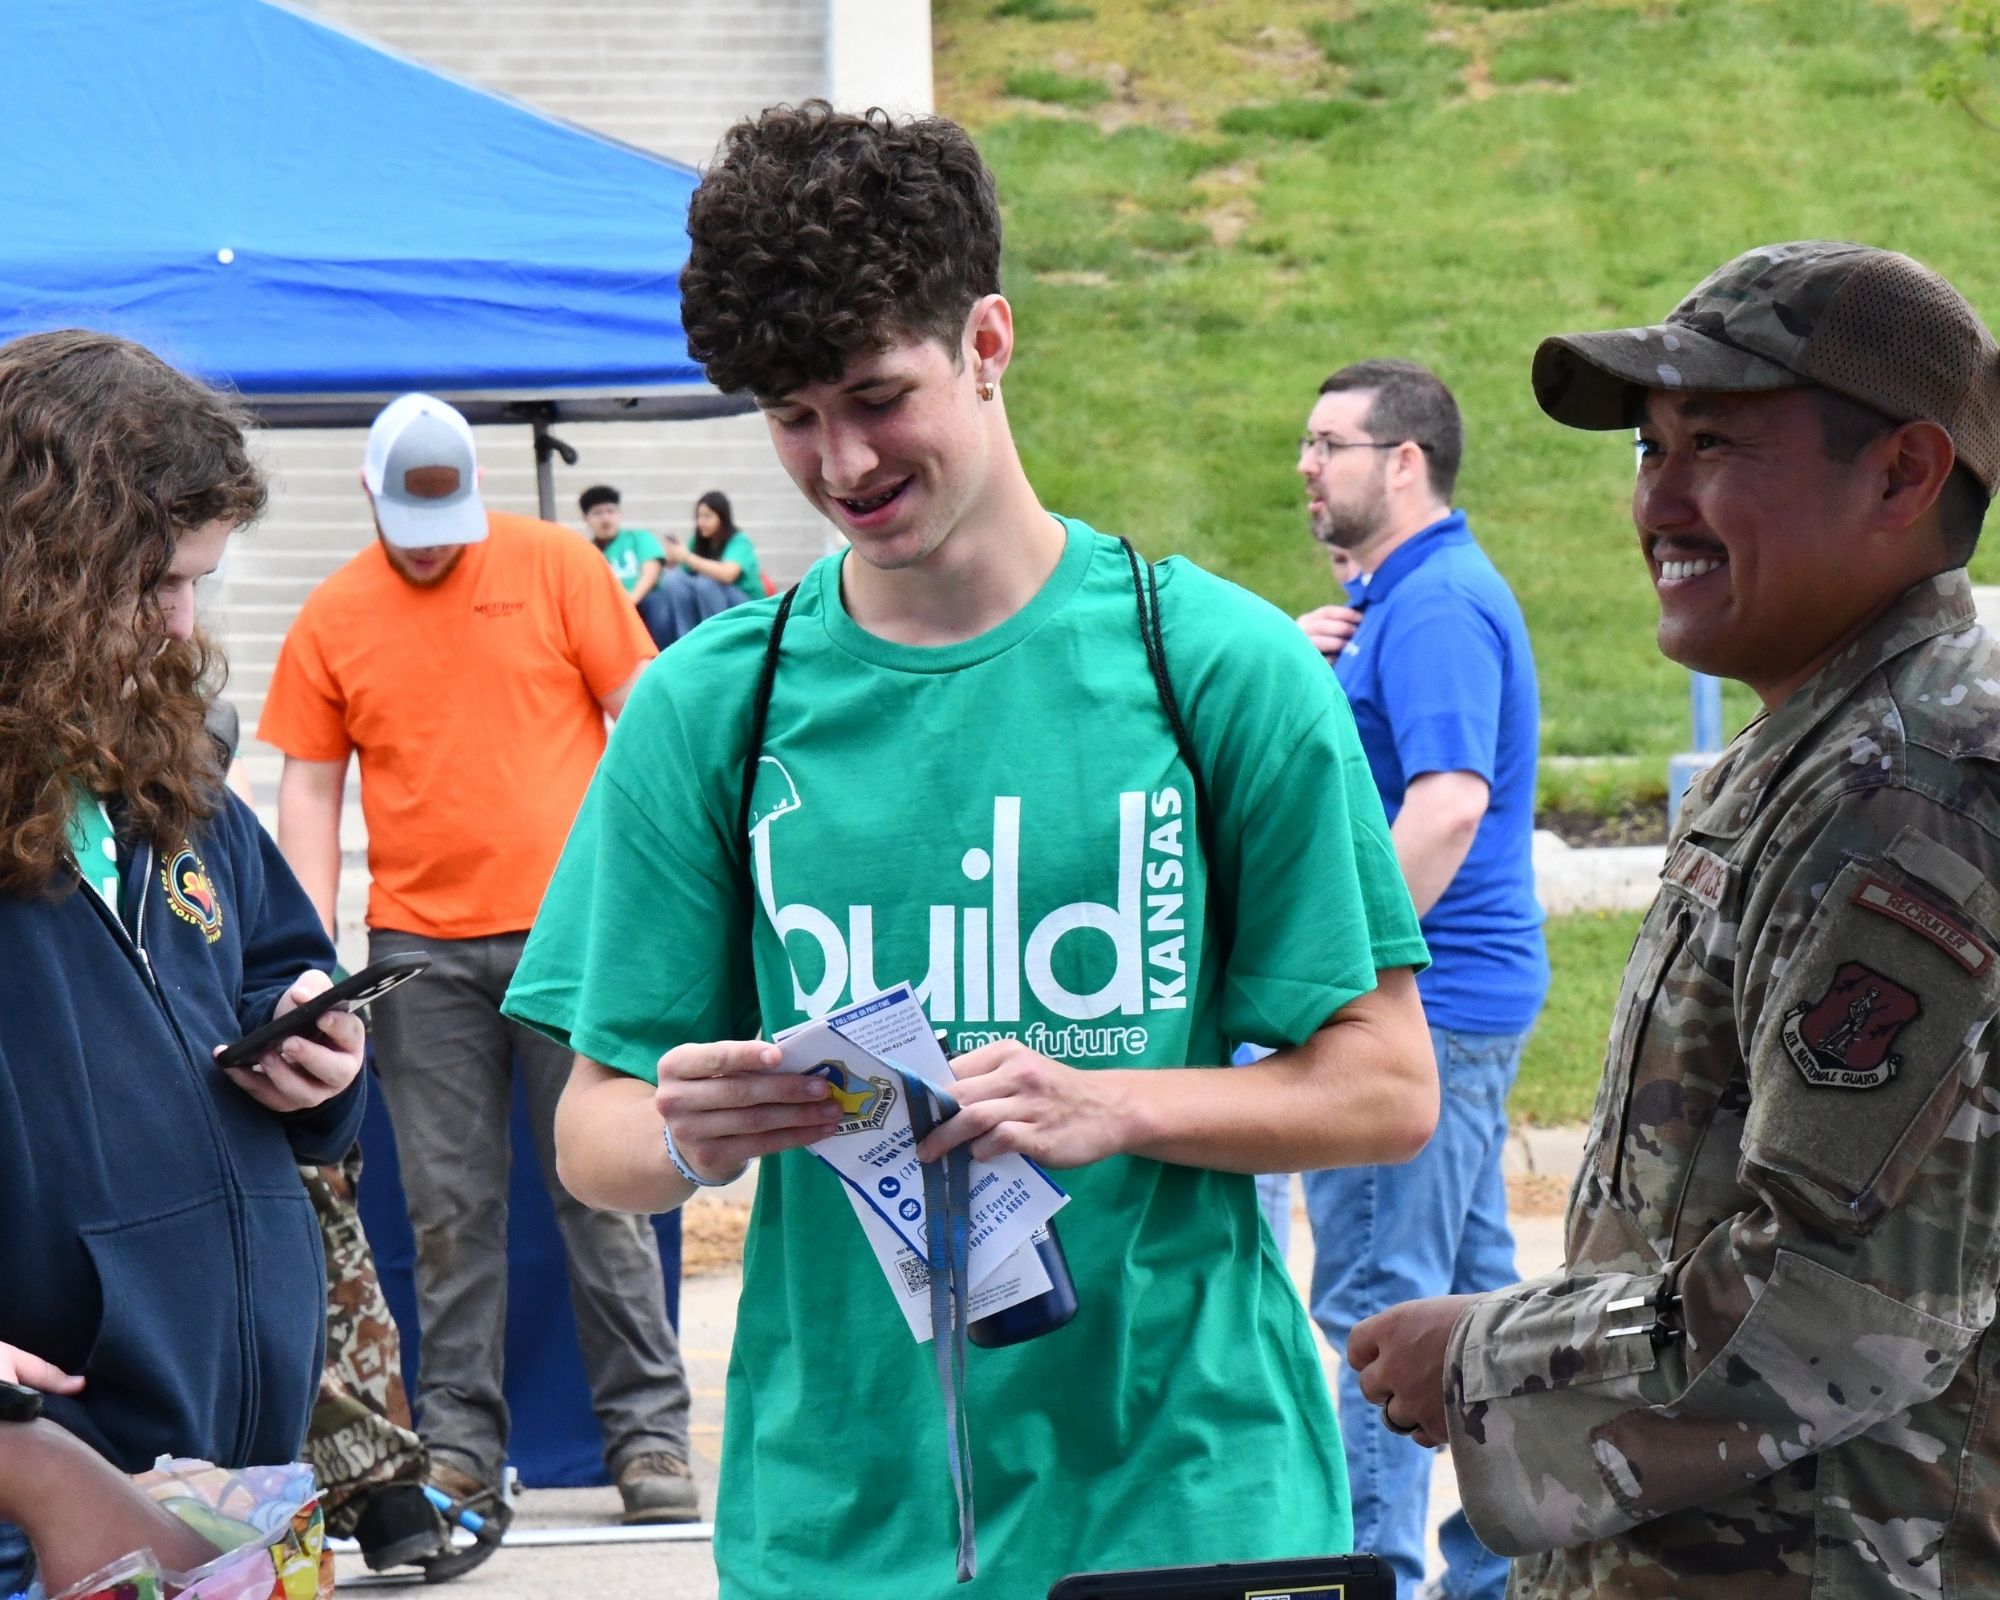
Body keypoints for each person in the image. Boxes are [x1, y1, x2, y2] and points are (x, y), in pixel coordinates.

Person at [502, 102, 1439, 1600]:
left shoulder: (1214, 667)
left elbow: (1388, 1088)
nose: (841, 460)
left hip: (1184, 1503)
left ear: (988, 341)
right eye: (792, 415)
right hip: (841, 1531)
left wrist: (1113, 1104)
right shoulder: (708, 712)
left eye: (879, 395)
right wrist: (697, 1128)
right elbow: (594, 1140)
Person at [1348, 241, 2000, 1597]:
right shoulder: (1829, 744)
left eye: (1715, 444)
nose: (1662, 502)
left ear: (1904, 474)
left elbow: (1832, 1306)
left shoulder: (1914, 798)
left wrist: (1482, 1359)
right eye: (1651, 451)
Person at [257, 394, 701, 1553]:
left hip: (575, 935)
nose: (431, 541)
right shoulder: (335, 612)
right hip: (417, 951)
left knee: (600, 1191)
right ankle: (457, 1443)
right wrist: (302, 959)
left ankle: (647, 1435)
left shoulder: (557, 566)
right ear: (369, 495)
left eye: (447, 517)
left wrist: (646, 896)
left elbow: (643, 716)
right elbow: (309, 788)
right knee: (451, 1209)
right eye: (408, 520)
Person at [0, 329, 367, 1597]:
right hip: (38, 1499)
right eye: (155, 582)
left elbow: (279, 966)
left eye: (200, 581)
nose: (180, 629)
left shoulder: (175, 774)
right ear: (37, 566)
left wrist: (321, 1054)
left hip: (237, 1482)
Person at [1288, 358, 1545, 1600]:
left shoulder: (1435, 604)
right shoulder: (1402, 597)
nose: (1305, 464)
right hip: (1452, 1000)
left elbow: (1446, 806)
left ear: (1403, 463)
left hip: (1422, 1008)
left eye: (1329, 443)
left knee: (1376, 1312)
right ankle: (1490, 1576)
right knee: (1472, 1306)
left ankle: (1366, 1577)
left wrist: (1334, 974)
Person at [648, 489, 763, 645]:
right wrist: (672, 558)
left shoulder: (739, 541)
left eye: (707, 516)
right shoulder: (699, 540)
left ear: (722, 517)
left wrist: (686, 556)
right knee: (673, 579)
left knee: (706, 582)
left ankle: (715, 639)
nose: (701, 522)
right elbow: (684, 572)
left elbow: (728, 574)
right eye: (699, 516)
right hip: (709, 601)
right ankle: (687, 639)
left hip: (745, 605)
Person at [581, 483, 674, 645]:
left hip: (642, 600)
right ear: (587, 519)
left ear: (620, 514)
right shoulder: (585, 552)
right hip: (607, 607)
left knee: (656, 601)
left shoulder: (638, 538)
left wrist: (628, 602)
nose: (605, 519)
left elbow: (650, 573)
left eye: (610, 511)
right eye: (597, 513)